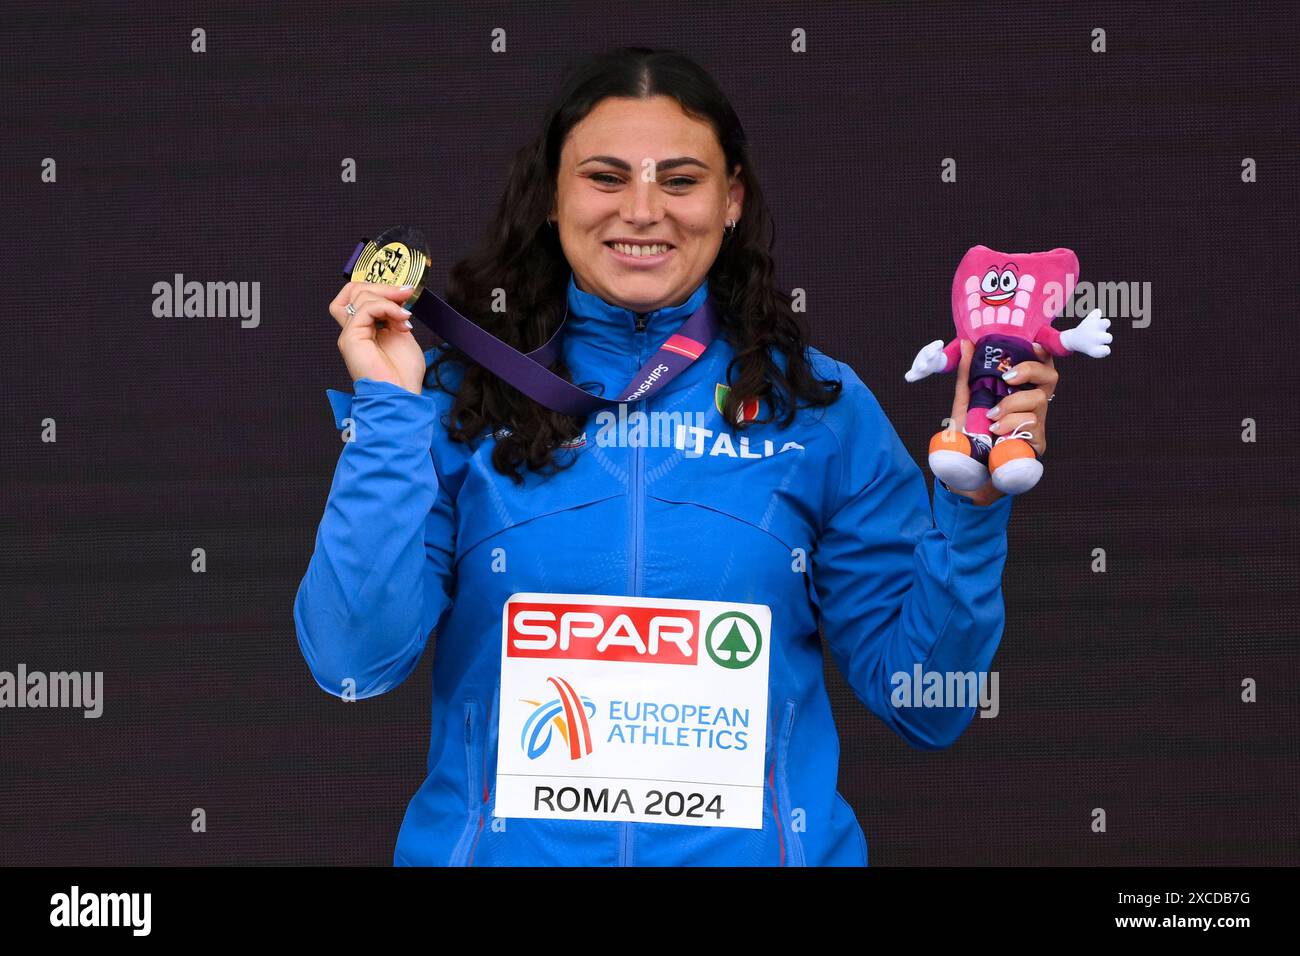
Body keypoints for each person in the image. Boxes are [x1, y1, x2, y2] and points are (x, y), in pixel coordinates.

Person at [294, 46, 1058, 867]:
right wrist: (387, 412)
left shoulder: (816, 409)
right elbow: (352, 659)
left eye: (682, 181)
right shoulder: (454, 399)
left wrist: (972, 517)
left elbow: (926, 704)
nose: (644, 210)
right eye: (606, 177)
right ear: (552, 196)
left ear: (731, 201)